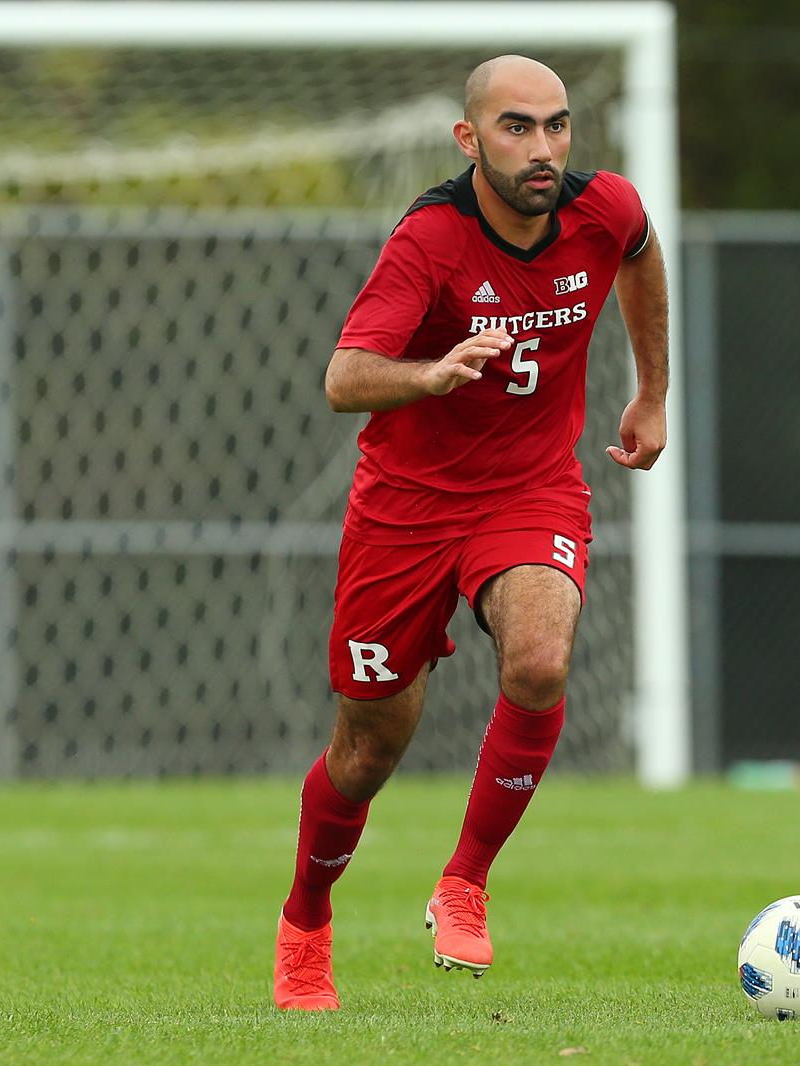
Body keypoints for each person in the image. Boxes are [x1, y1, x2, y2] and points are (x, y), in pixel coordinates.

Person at [273, 54, 669, 1011]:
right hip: (406, 505)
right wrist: (432, 373)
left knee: (539, 661)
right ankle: (307, 919)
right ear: (469, 138)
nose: (544, 149)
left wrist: (651, 391)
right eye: (517, 128)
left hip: (529, 488)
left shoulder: (603, 209)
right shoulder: (430, 240)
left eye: (557, 126)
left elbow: (643, 252)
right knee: (369, 748)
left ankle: (465, 880)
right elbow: (344, 376)